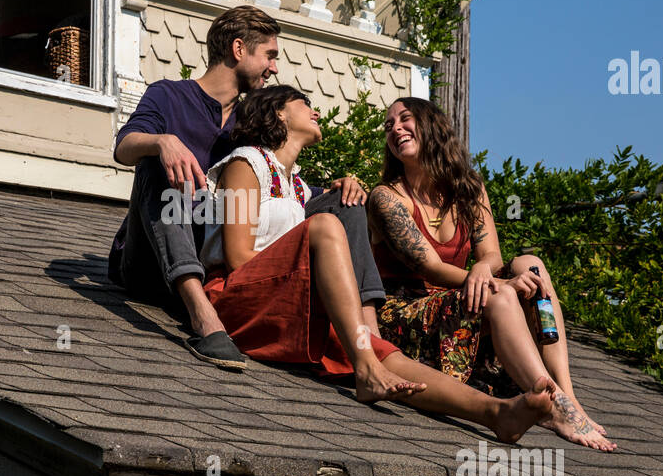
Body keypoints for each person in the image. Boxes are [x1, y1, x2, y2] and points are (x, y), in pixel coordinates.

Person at [201, 84, 592, 448]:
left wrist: (342, 189)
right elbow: (237, 259)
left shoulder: (297, 185)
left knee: (386, 350)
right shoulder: (244, 165)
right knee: (329, 239)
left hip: (289, 295)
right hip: (242, 295)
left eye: (404, 120)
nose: (316, 111)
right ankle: (371, 367)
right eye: (305, 104)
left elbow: (490, 253)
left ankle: (499, 413)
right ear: (280, 114)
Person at [108, 5, 377, 370]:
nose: (275, 67)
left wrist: (336, 187)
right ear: (238, 50)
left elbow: (274, 184)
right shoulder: (168, 95)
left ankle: (369, 339)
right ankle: (203, 319)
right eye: (269, 55)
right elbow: (124, 148)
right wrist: (162, 141)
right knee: (157, 161)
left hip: (212, 256)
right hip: (151, 261)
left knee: (344, 204)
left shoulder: (247, 122)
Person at [366, 98, 615, 451]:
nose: (395, 129)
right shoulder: (386, 197)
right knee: (502, 293)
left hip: (462, 300)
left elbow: (492, 254)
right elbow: (427, 266)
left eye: (405, 119)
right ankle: (549, 401)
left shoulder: (468, 188)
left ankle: (565, 393)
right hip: (407, 311)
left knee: (531, 266)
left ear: (432, 127)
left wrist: (485, 268)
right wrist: (496, 282)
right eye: (389, 126)